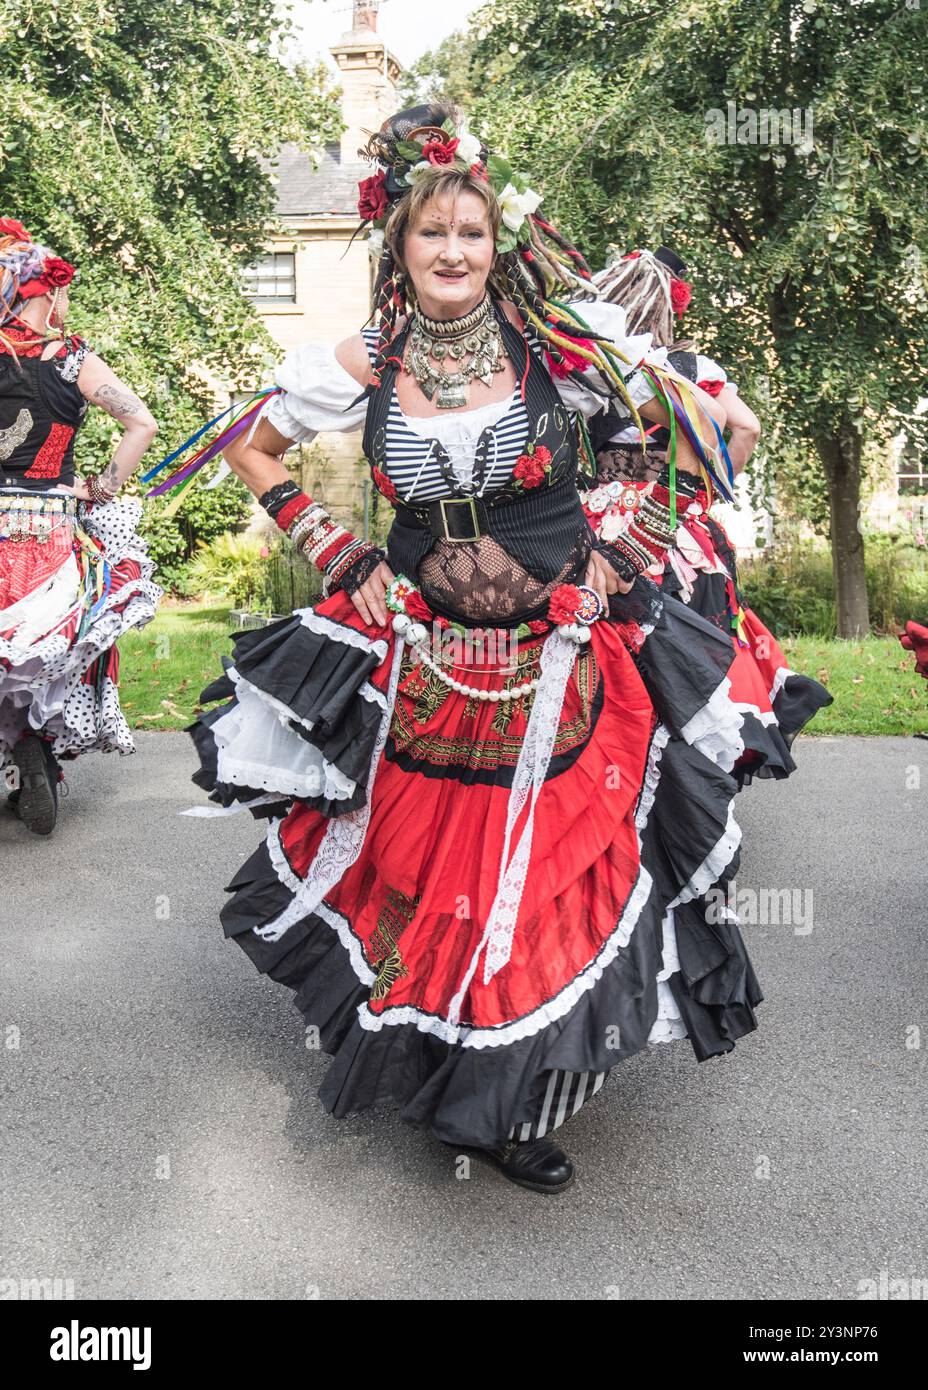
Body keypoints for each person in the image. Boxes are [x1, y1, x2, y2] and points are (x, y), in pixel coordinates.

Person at [175, 107, 761, 1194]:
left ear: (501, 242)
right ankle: (449, 1063)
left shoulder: (564, 348)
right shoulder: (369, 356)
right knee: (433, 878)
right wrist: (339, 551)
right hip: (427, 663)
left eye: (471, 234)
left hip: (558, 661)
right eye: (431, 233)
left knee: (535, 883)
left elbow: (708, 434)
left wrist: (618, 556)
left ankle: (503, 1101)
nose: (452, 253)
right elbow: (250, 447)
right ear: (398, 245)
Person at [584, 245, 832, 783]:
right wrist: (703, 494)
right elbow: (746, 428)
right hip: (668, 519)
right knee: (692, 640)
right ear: (668, 308)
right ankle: (695, 758)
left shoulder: (582, 364)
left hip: (594, 521)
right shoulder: (688, 369)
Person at [0, 218, 161, 834]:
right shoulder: (70, 359)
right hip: (48, 531)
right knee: (39, 649)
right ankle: (34, 748)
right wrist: (99, 487)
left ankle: (22, 758)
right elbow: (140, 422)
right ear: (46, 294)